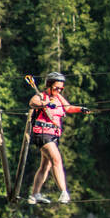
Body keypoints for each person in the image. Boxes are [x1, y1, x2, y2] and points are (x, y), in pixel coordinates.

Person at [26, 72, 88, 205]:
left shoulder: (59, 98)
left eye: (61, 88)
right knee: (56, 159)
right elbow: (33, 102)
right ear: (49, 85)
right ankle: (64, 192)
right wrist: (45, 104)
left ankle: (34, 195)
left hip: (53, 135)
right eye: (56, 88)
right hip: (42, 133)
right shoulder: (42, 96)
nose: (58, 90)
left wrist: (80, 109)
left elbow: (68, 108)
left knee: (45, 166)